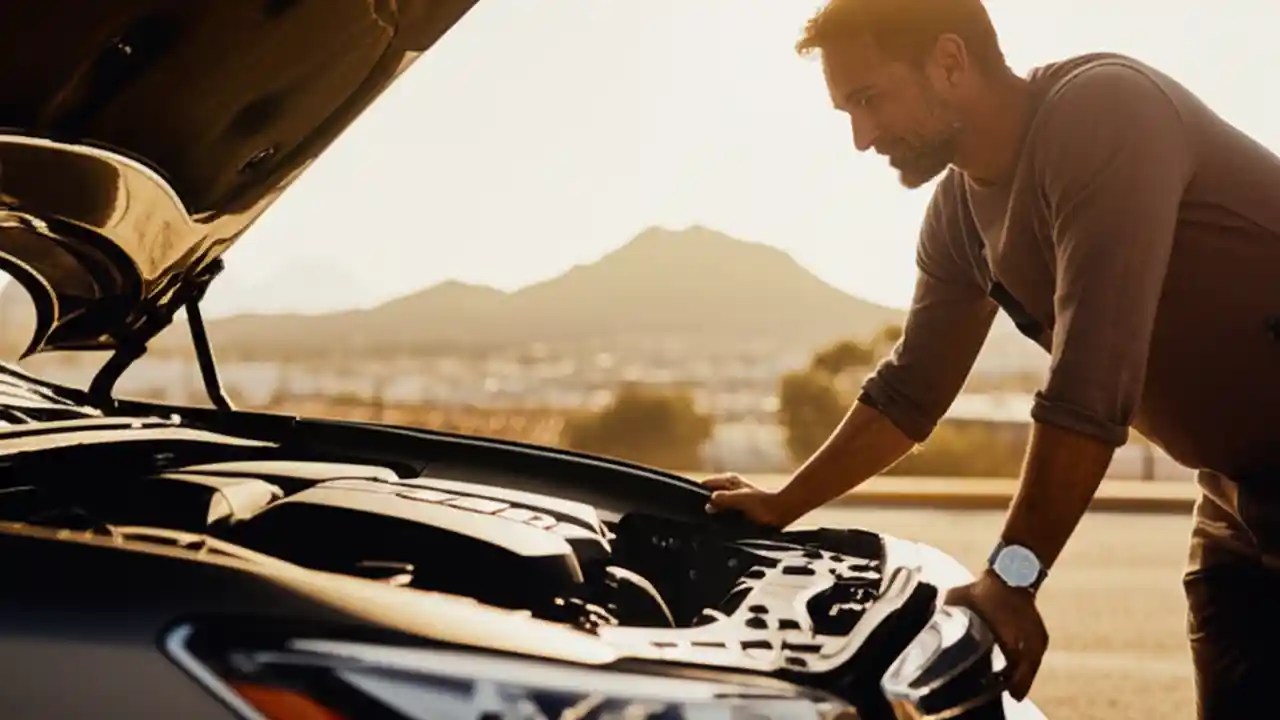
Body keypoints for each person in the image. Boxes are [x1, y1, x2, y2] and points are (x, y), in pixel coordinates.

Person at [700, 1, 1280, 717]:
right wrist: (783, 503)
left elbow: (1093, 381)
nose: (861, 137)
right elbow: (910, 393)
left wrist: (1012, 578)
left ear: (949, 62)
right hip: (1235, 503)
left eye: (869, 99)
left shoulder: (1104, 113)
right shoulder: (958, 217)